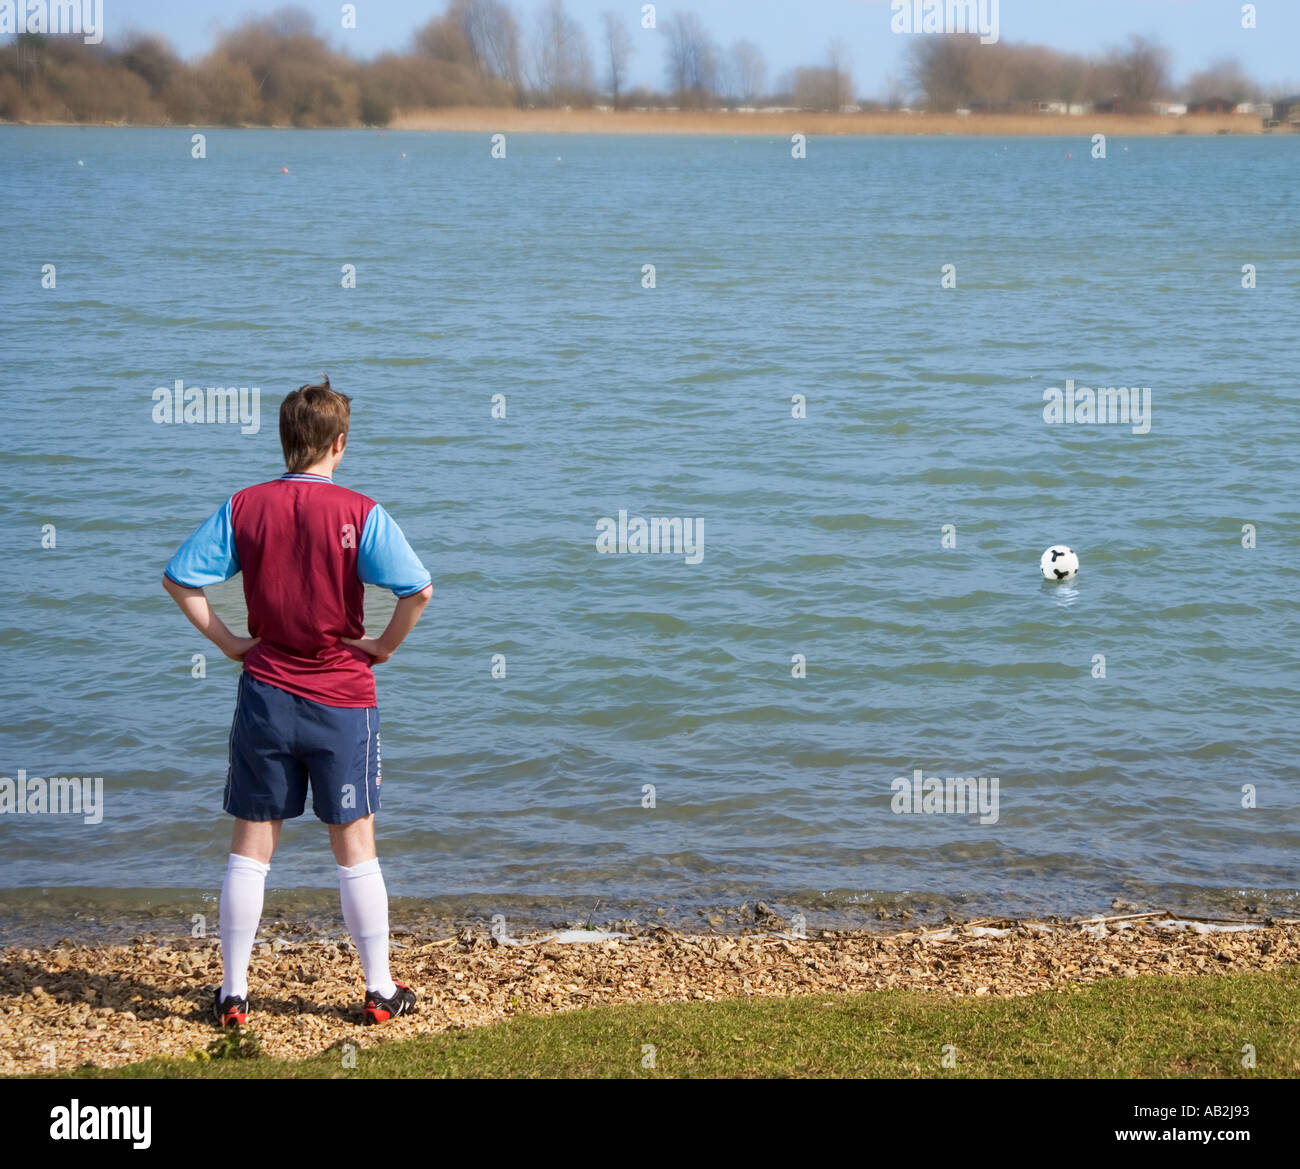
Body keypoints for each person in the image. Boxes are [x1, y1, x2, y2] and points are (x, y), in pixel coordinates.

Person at [162, 376, 432, 1027]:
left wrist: (229, 640)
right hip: (342, 696)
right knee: (355, 844)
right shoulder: (361, 512)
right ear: (339, 444)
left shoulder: (244, 506)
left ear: (285, 442)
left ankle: (233, 993)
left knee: (251, 845)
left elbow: (179, 577)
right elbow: (418, 590)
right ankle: (379, 989)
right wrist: (383, 647)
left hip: (265, 693)